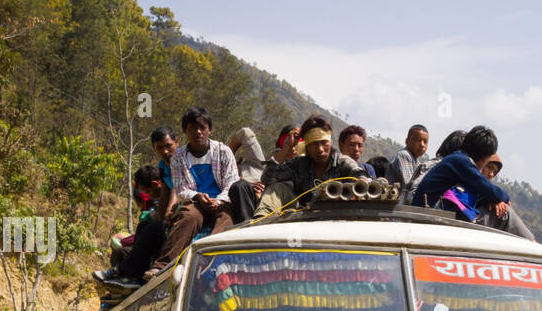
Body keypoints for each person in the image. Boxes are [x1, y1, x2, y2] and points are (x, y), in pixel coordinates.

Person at [145, 107, 253, 278]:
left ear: (210, 129)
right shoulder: (178, 158)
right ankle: (161, 265)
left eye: (202, 127)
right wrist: (197, 196)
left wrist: (217, 201)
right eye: (191, 129)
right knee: (188, 217)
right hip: (196, 203)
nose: (198, 132)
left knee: (225, 220)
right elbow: (181, 189)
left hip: (222, 203)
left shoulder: (223, 151)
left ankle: (210, 262)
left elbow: (232, 182)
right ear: (185, 132)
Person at [253, 115, 369, 219]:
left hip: (337, 215)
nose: (320, 149)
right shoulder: (298, 164)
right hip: (301, 213)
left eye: (324, 142)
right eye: (314, 144)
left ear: (330, 142)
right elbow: (267, 179)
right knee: (276, 189)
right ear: (306, 147)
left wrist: (363, 181)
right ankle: (260, 222)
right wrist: (287, 146)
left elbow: (358, 173)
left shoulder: (342, 162)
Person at [411, 126, 511, 227]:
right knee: (506, 214)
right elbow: (488, 189)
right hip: (430, 217)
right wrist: (505, 197)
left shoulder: (458, 159)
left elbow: (482, 193)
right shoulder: (461, 162)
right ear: (485, 159)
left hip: (431, 214)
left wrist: (494, 200)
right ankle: (527, 242)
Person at [93, 165, 168, 286]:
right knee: (122, 251)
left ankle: (127, 273)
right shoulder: (156, 201)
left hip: (162, 233)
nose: (149, 195)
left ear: (156, 184)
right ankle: (121, 282)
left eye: (148, 191)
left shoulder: (169, 193)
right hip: (149, 235)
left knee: (150, 227)